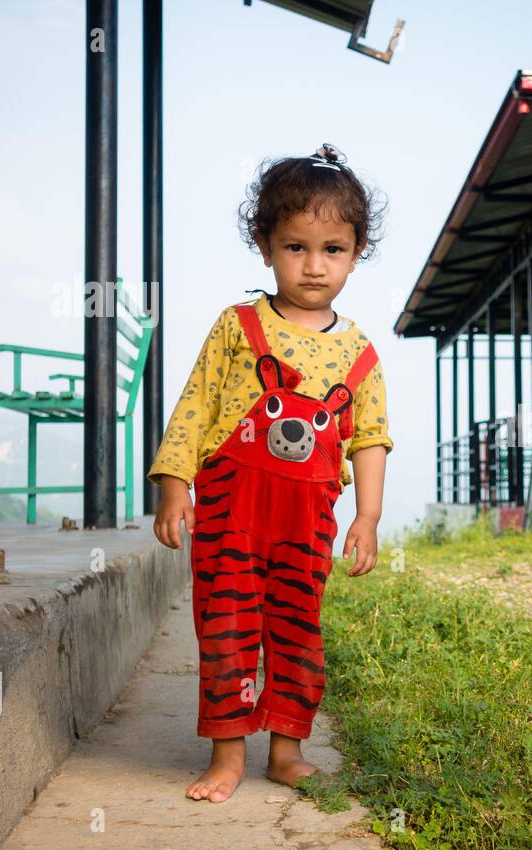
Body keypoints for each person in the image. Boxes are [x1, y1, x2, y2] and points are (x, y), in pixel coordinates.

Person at [147, 144, 392, 803]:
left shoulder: (360, 354)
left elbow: (369, 439)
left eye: (333, 249)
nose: (314, 266)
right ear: (265, 247)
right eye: (296, 247)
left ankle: (287, 751)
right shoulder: (238, 327)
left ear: (357, 249)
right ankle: (227, 754)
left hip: (306, 520)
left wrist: (366, 516)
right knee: (226, 623)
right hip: (231, 511)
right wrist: (175, 483)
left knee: (296, 629)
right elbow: (195, 406)